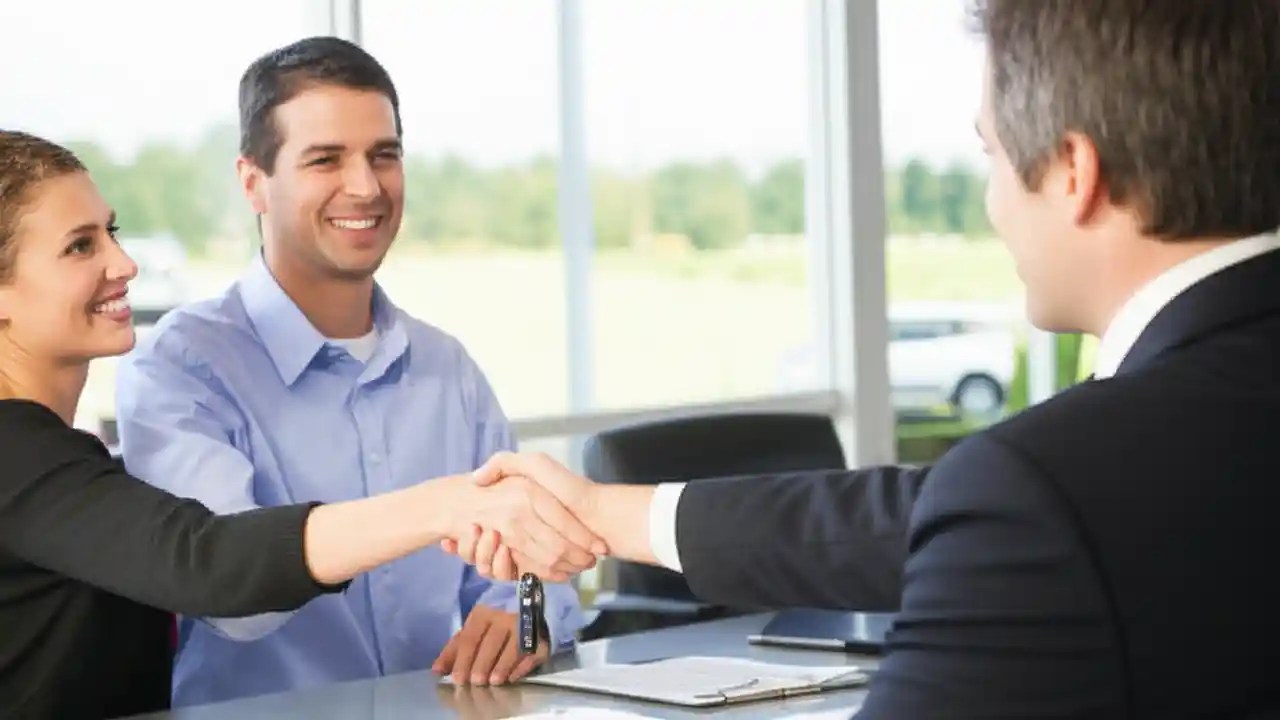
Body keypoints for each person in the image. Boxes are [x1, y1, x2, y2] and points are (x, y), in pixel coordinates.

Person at [452, 1, 1280, 717]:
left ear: (1073, 172)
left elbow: (1020, 517)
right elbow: (934, 516)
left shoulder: (1048, 493)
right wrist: (607, 517)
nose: (992, 203)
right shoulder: (1123, 458)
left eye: (990, 155)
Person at [0, 129, 597, 719]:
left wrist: (527, 614)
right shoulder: (21, 450)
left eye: (111, 233)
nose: (125, 263)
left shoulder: (53, 456)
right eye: (80, 247)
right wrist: (444, 506)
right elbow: (208, 563)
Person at [113, 36, 591, 706]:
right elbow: (236, 598)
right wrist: (441, 507)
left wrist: (524, 617)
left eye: (383, 155)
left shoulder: (446, 369)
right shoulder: (180, 369)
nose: (366, 186)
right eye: (326, 159)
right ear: (253, 182)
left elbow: (534, 568)